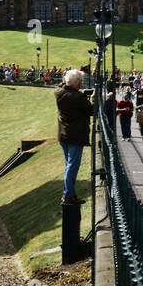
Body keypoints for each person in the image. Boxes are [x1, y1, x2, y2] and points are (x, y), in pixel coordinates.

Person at [55, 69, 92, 205]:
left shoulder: (59, 92)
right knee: (73, 165)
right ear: (76, 84)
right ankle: (68, 195)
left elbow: (61, 84)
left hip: (63, 134)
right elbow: (91, 110)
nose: (82, 84)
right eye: (80, 81)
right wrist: (92, 98)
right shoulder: (78, 97)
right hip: (75, 135)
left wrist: (72, 75)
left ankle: (68, 193)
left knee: (68, 165)